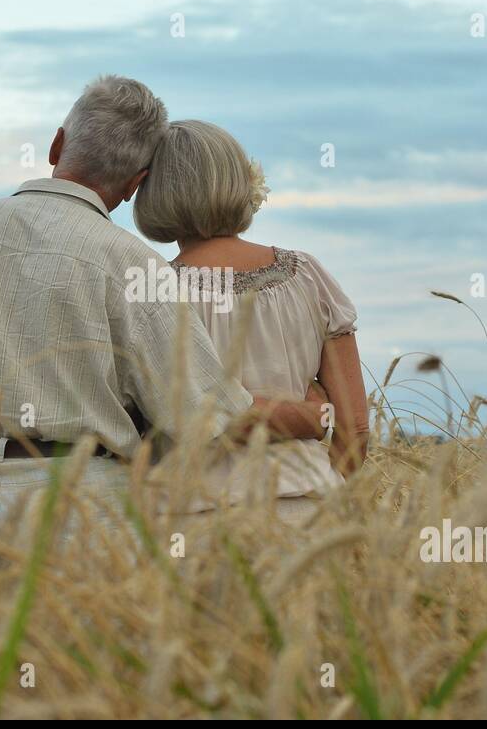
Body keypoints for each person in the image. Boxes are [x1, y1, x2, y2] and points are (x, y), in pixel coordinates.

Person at [0, 77, 325, 561]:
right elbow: (206, 412)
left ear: (56, 145)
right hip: (84, 502)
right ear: (135, 184)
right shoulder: (132, 263)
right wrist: (311, 414)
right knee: (78, 660)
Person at [133, 119, 369, 523]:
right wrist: (321, 486)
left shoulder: (151, 291)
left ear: (154, 193)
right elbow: (354, 428)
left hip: (195, 514)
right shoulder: (308, 275)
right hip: (310, 510)